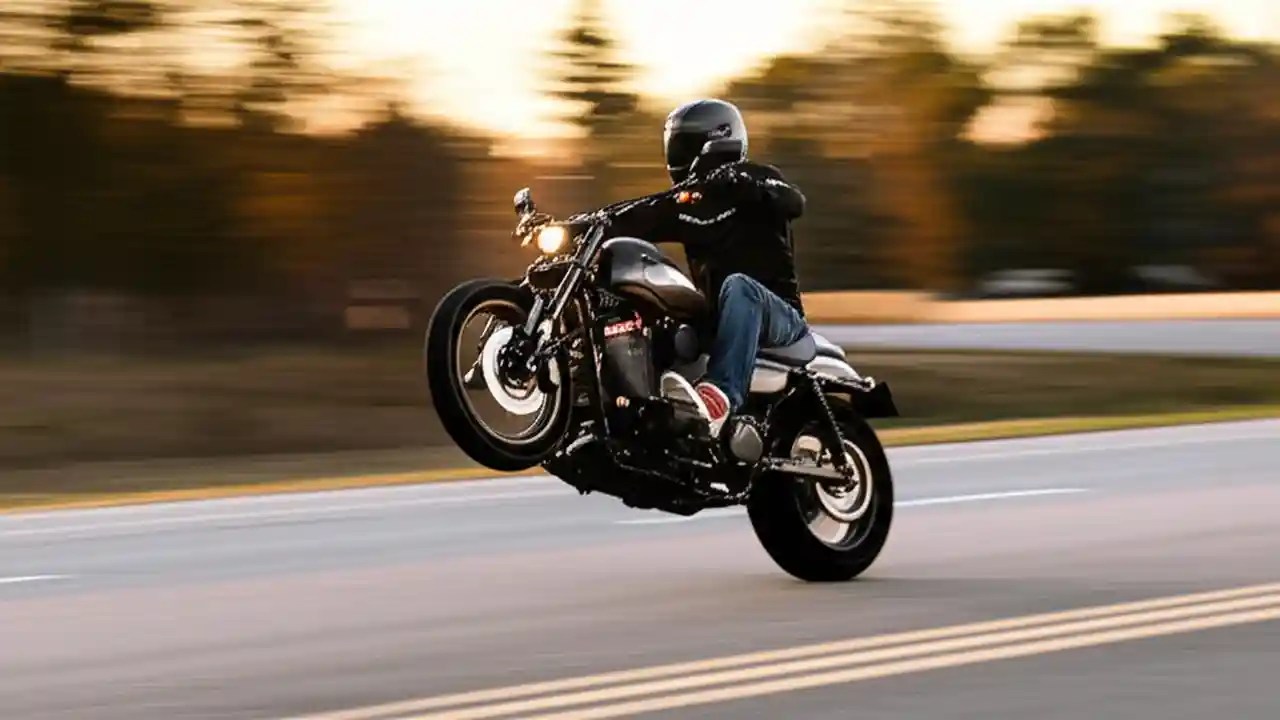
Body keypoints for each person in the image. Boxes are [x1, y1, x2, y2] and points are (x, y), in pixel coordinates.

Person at [606, 98, 808, 436]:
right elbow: (634, 215)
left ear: (717, 141)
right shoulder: (688, 202)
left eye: (685, 144)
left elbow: (793, 201)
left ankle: (721, 397)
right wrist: (573, 227)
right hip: (716, 322)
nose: (676, 154)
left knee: (739, 287)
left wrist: (745, 181)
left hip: (778, 317)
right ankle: (647, 415)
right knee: (659, 312)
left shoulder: (756, 179)